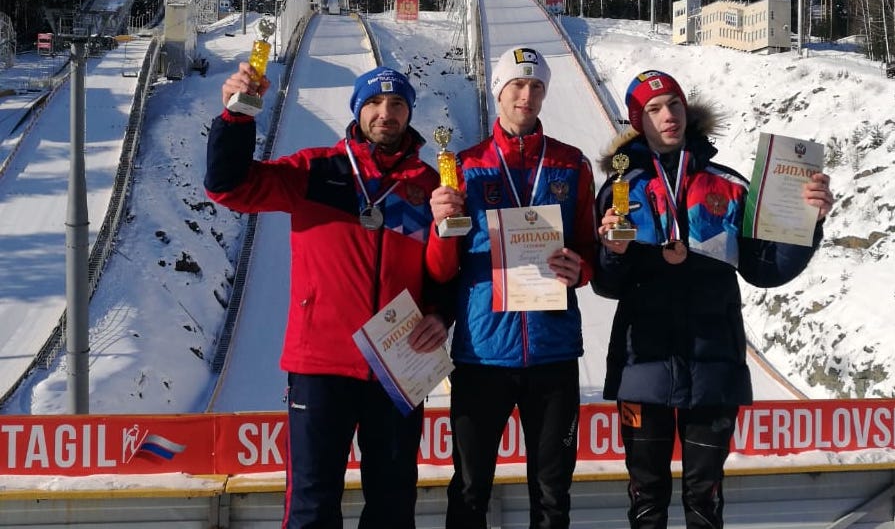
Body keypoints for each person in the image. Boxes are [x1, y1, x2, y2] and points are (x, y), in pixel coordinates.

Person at [205, 64, 450, 528]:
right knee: (313, 505)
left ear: (409, 112)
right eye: (374, 104)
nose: (386, 113)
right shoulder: (315, 170)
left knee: (394, 504)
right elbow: (229, 188)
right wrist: (235, 118)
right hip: (321, 364)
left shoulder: (428, 185)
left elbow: (445, 265)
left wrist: (441, 312)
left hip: (399, 365)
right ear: (358, 111)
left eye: (397, 104)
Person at [592, 70, 835, 529]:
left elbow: (766, 268)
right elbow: (605, 284)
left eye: (675, 104)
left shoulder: (730, 185)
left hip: (714, 364)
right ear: (636, 120)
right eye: (654, 109)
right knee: (646, 503)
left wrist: (808, 222)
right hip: (642, 362)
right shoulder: (620, 190)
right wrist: (614, 252)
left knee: (706, 502)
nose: (668, 116)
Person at [426, 47, 598, 529]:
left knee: (552, 493)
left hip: (552, 352)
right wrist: (442, 227)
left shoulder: (571, 165)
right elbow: (442, 271)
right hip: (483, 354)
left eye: (537, 86)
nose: (527, 95)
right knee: (468, 489)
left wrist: (578, 268)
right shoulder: (463, 166)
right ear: (499, 90)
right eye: (517, 85)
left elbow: (590, 251)